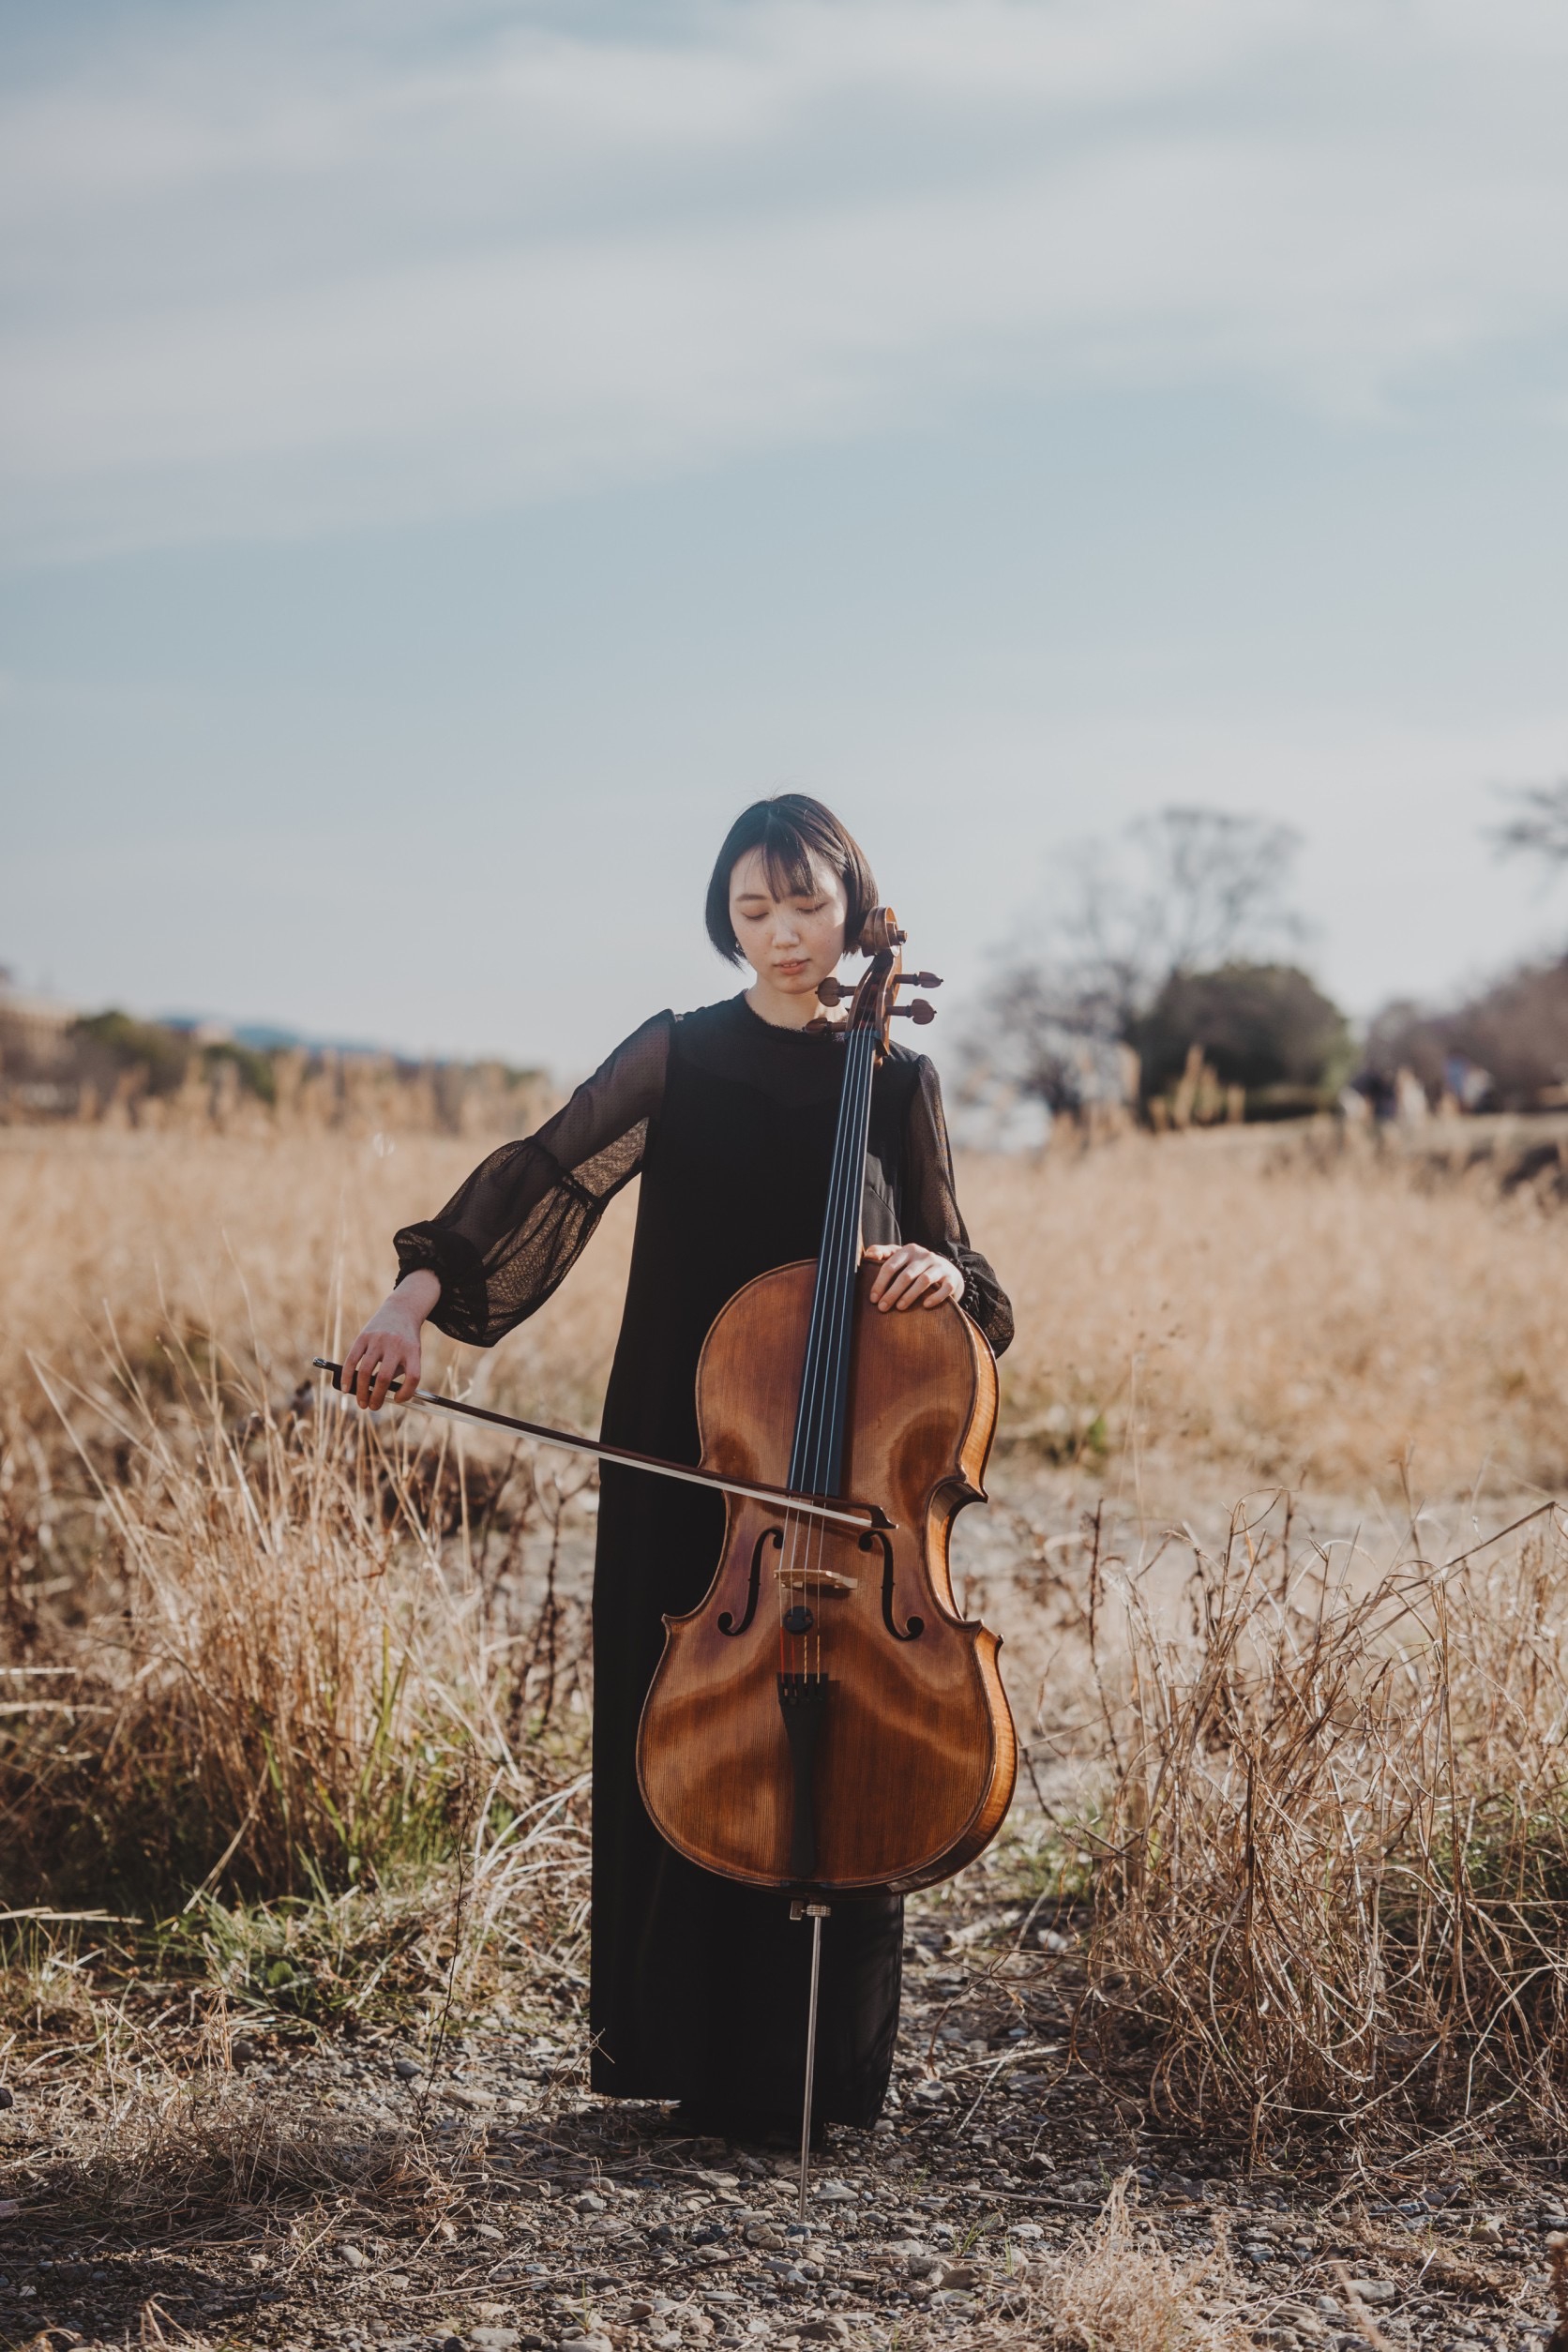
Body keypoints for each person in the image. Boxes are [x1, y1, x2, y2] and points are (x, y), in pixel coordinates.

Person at [341, 794, 1013, 2142]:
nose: (781, 933)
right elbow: (544, 1177)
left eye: (806, 905)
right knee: (686, 1721)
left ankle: (820, 2067)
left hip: (838, 1488)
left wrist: (942, 1273)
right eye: (753, 910)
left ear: (851, 905)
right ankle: (688, 2054)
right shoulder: (677, 1055)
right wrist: (412, 1302)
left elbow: (978, 1291)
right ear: (727, 917)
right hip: (682, 1440)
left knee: (843, 1735)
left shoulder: (897, 1078)